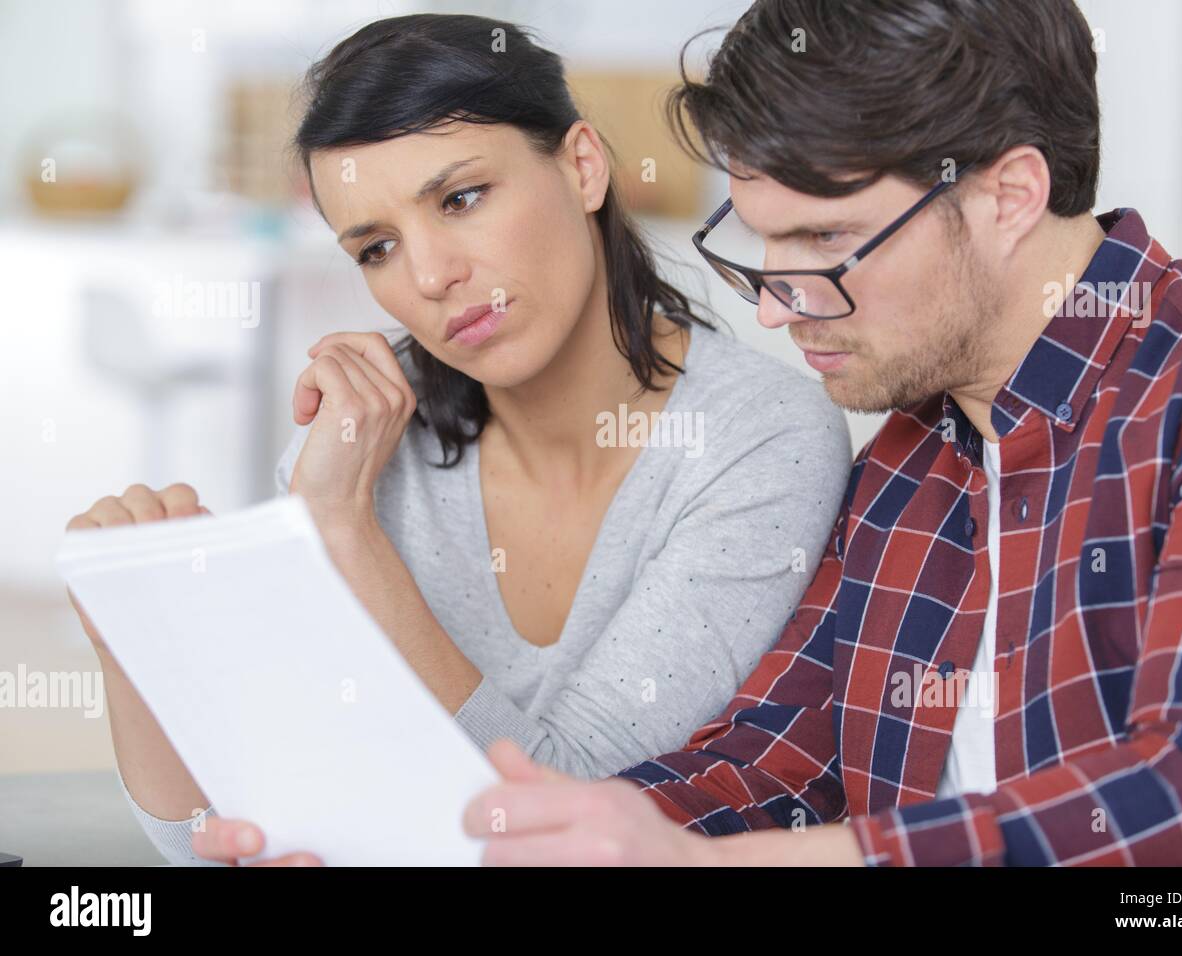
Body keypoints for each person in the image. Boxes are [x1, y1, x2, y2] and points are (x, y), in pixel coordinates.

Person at [198, 0, 1182, 867]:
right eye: (760, 243)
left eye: (825, 236)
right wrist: (451, 843)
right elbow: (768, 757)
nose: (774, 307)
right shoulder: (913, 457)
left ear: (1010, 192)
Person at [64, 13, 849, 866]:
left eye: (462, 199)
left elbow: (566, 807)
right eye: (377, 247)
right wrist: (133, 644)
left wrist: (342, 535)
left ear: (583, 166)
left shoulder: (759, 440)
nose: (431, 276)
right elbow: (199, 840)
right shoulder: (355, 448)